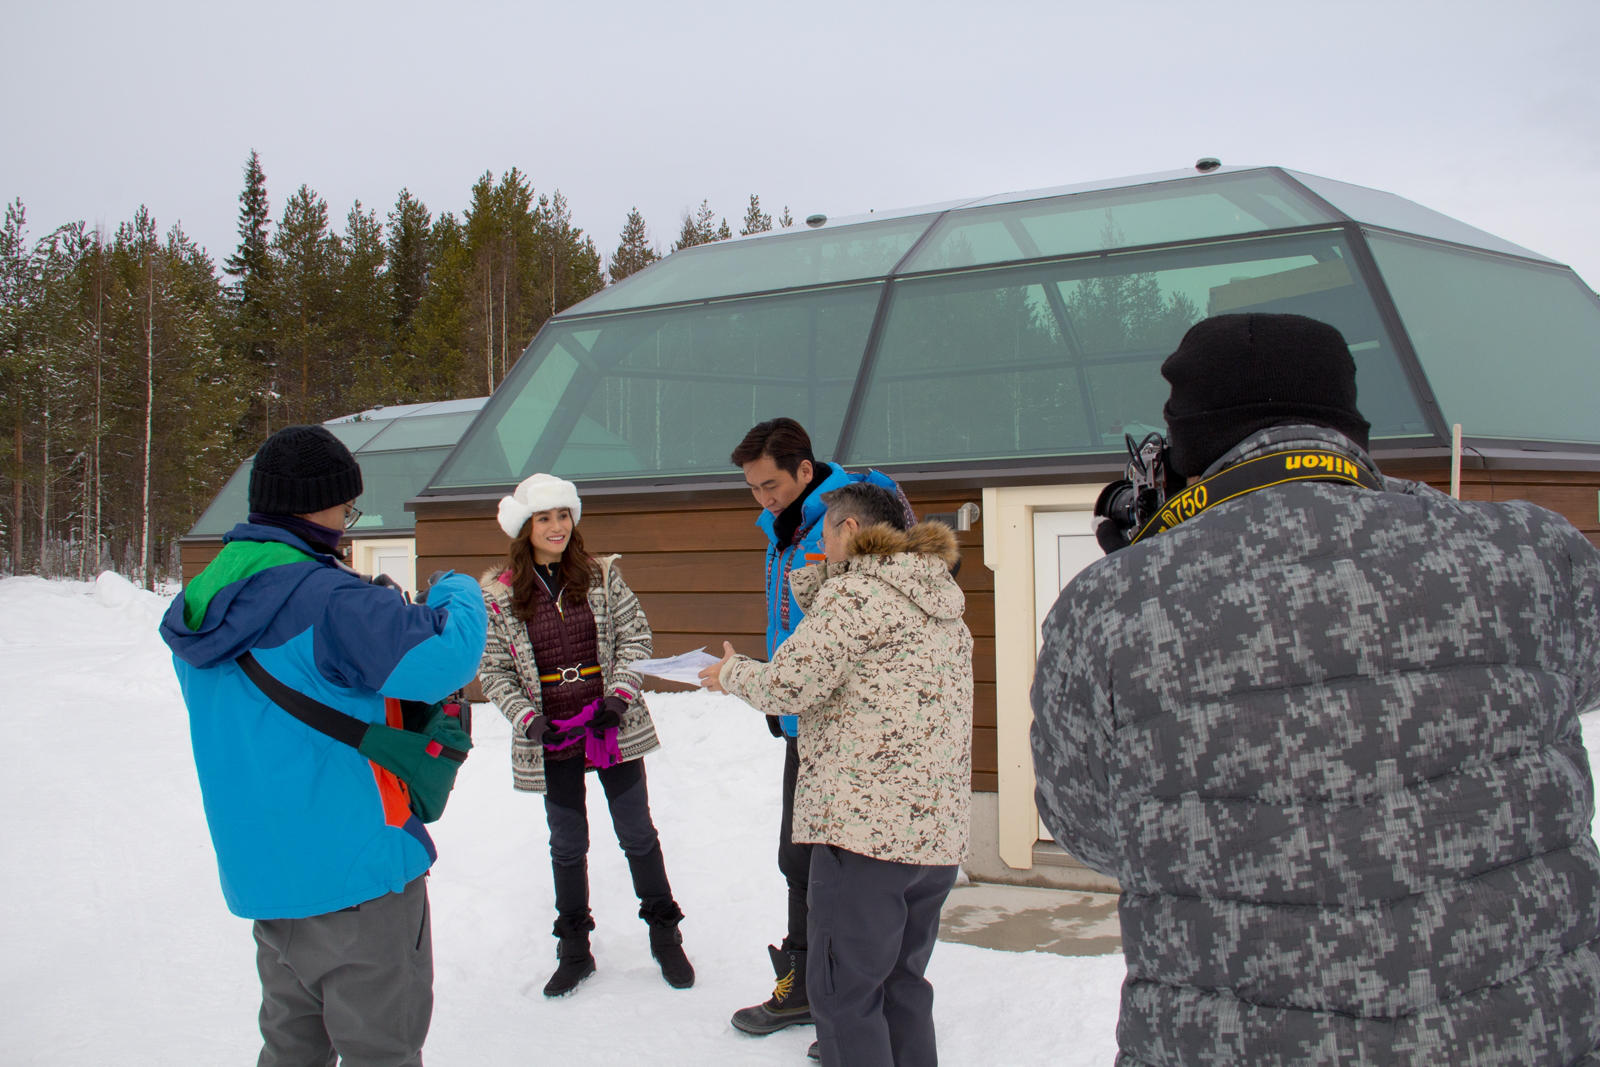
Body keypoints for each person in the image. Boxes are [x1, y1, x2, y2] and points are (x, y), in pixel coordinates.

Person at [1030, 312, 1600, 1065]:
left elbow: (1091, 828)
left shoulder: (1108, 606)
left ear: (1186, 448)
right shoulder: (1532, 552)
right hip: (1528, 1035)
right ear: (1349, 427)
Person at [159, 423, 488, 1067]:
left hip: (266, 879)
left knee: (290, 1049)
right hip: (359, 876)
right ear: (317, 506)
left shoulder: (199, 605)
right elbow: (448, 657)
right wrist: (459, 587)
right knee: (381, 1051)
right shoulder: (327, 599)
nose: (347, 524)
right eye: (347, 508)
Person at [702, 482, 972, 1067]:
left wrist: (731, 674)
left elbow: (789, 684)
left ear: (850, 531)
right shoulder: (943, 605)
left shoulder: (857, 599)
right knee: (902, 985)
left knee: (845, 994)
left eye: (824, 534)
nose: (816, 548)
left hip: (865, 834)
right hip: (935, 839)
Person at [727, 417, 915, 1037]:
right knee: (799, 859)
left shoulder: (849, 520)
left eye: (770, 484)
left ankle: (851, 1000)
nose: (763, 497)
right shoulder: (784, 527)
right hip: (803, 717)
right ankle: (810, 985)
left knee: (846, 866)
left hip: (850, 725)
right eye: (753, 488)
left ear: (805, 471)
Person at [478, 472, 694, 997]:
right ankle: (574, 949)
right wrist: (530, 720)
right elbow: (493, 671)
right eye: (544, 518)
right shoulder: (499, 595)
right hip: (552, 734)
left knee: (637, 832)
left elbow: (635, 636)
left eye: (562, 515)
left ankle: (666, 937)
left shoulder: (601, 576)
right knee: (568, 844)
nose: (556, 526)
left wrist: (619, 695)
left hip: (609, 725)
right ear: (524, 527)